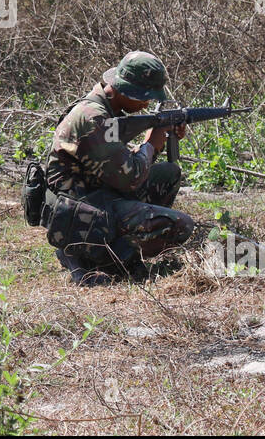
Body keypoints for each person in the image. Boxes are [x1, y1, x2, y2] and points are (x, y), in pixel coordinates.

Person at [43, 51, 195, 285]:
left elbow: (116, 164)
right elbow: (130, 178)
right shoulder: (94, 117)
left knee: (167, 174)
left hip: (97, 195)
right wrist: (151, 144)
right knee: (181, 225)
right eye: (144, 96)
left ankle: (119, 250)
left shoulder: (106, 110)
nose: (147, 103)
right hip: (81, 211)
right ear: (125, 89)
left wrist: (156, 139)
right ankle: (97, 257)